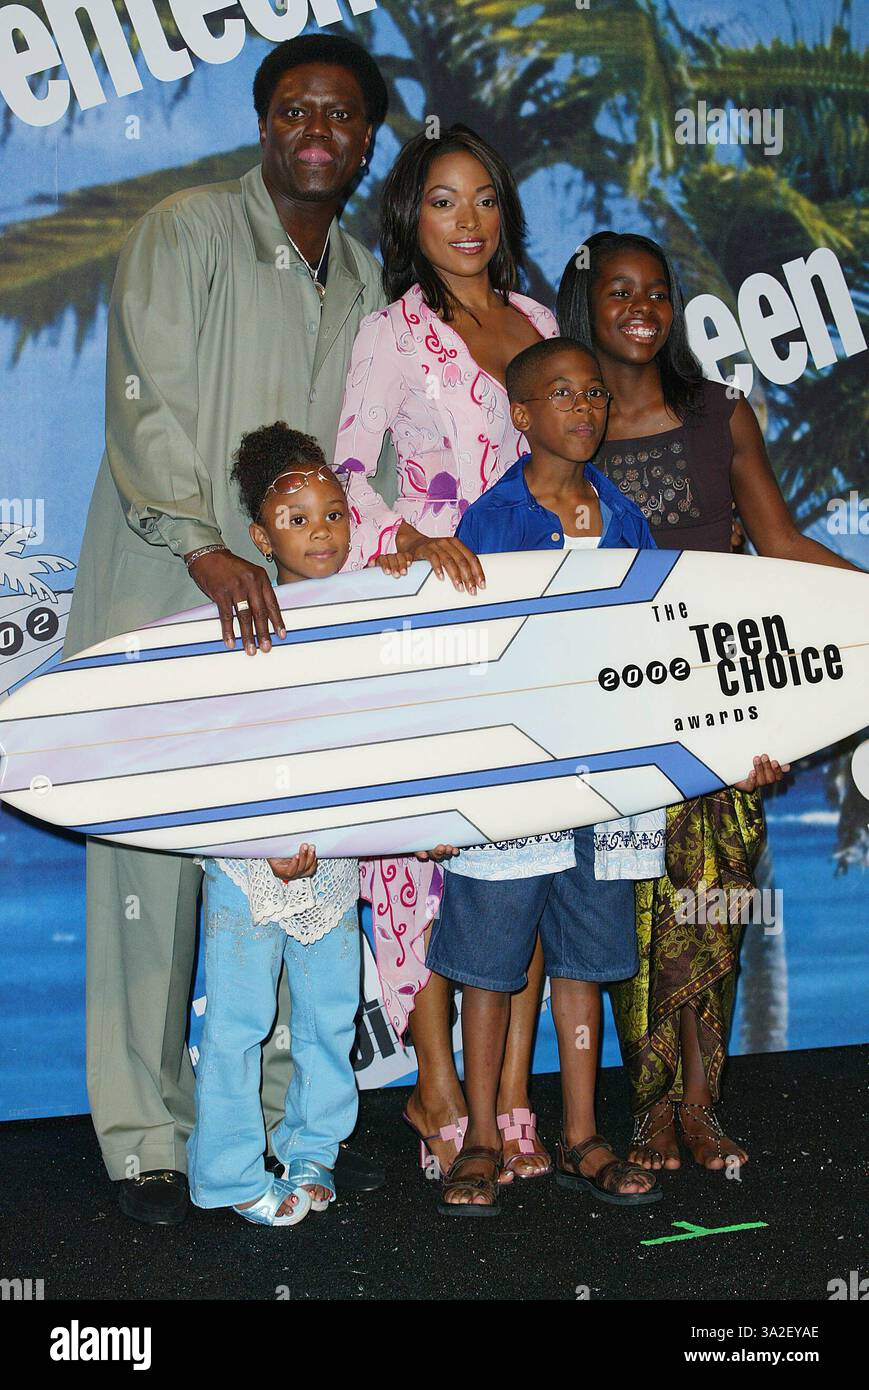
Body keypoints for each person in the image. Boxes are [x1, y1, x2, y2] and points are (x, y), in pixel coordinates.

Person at [63, 33, 392, 1224]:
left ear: (365, 141)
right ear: (263, 125)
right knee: (150, 876)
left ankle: (247, 1130)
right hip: (166, 587)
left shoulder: (360, 275)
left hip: (288, 630)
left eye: (342, 113)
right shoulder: (187, 229)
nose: (318, 126)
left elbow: (363, 458)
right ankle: (146, 1134)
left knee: (276, 885)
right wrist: (204, 542)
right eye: (296, 107)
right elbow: (146, 401)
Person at [556, 231, 847, 1171]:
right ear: (586, 304)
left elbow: (781, 543)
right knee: (635, 914)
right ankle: (647, 1114)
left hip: (727, 712)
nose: (640, 308)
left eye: (656, 292)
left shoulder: (721, 414)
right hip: (616, 718)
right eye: (618, 292)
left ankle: (701, 1104)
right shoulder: (568, 431)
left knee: (711, 906)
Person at [333, 125, 558, 1180]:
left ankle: (510, 1102)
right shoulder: (391, 330)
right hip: (429, 616)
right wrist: (410, 542)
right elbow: (344, 472)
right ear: (409, 219)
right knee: (421, 858)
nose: (466, 222)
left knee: (528, 850)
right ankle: (435, 1090)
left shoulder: (545, 325)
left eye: (482, 200)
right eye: (441, 201)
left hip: (537, 623)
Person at [422, 337, 665, 1213]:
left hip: (612, 779)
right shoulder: (489, 523)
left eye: (595, 393)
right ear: (521, 417)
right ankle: (482, 1136)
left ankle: (580, 1134)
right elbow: (464, 658)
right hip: (515, 776)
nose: (585, 408)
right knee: (490, 961)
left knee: (585, 957)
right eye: (561, 394)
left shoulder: (628, 521)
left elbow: (656, 645)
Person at [187, 427, 362, 1227]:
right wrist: (264, 841)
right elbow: (219, 748)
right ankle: (225, 1174)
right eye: (296, 520)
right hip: (250, 862)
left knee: (329, 1015)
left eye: (333, 512)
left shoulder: (372, 611)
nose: (320, 530)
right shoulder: (236, 620)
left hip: (330, 856)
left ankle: (313, 1147)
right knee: (237, 1022)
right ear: (259, 538)